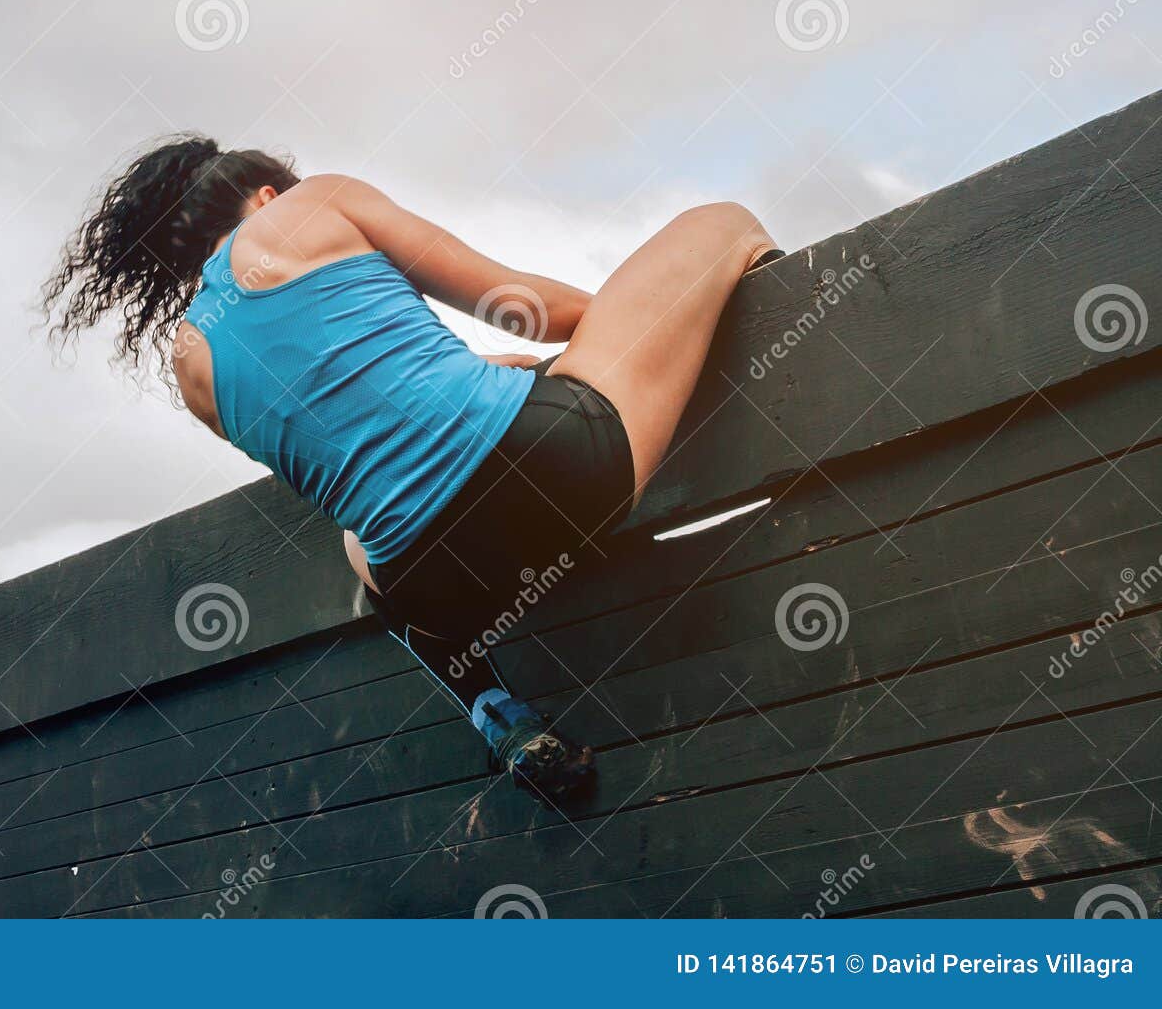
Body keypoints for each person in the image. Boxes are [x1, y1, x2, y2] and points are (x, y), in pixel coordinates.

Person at [41, 136, 780, 806]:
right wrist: (646, 317)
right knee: (722, 224)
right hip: (552, 473)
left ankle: (497, 713)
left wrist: (471, 375)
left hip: (437, 587)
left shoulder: (190, 360)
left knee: (357, 543)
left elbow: (358, 436)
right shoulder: (311, 203)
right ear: (267, 195)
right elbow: (523, 307)